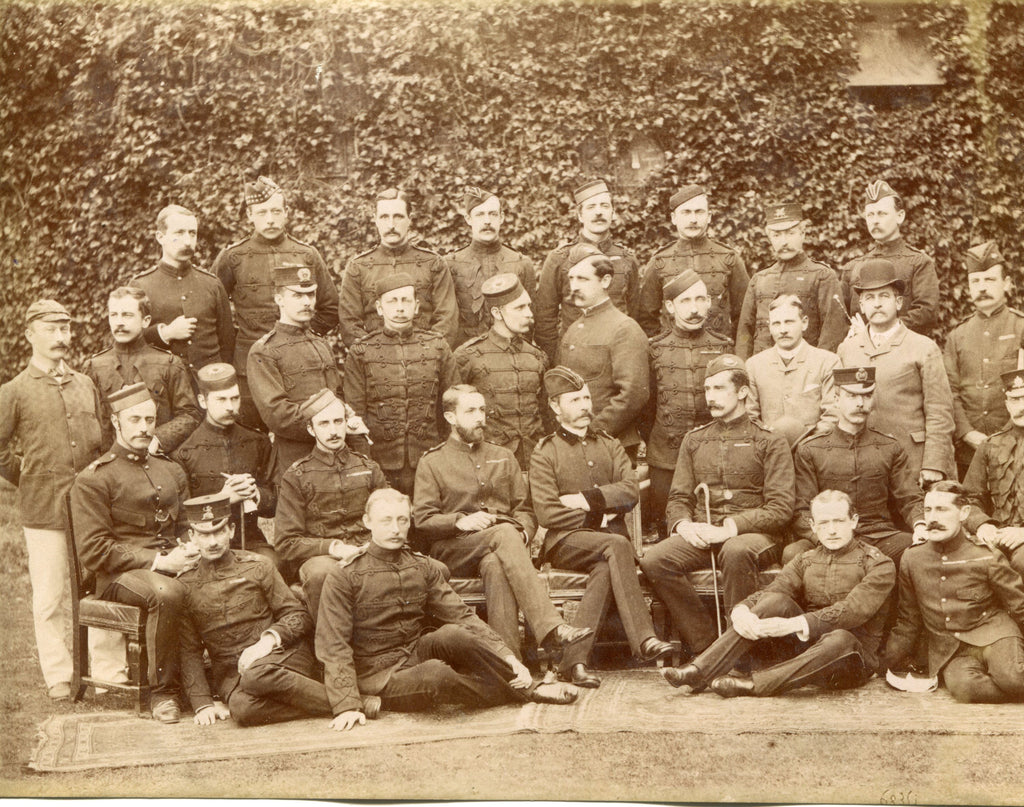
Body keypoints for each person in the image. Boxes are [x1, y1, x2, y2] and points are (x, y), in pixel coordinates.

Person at [316, 488, 579, 731]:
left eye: (403, 520)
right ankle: (528, 692)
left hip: (413, 652)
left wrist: (508, 657)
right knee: (437, 674)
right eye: (386, 521)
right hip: (376, 674)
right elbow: (334, 644)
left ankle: (520, 681)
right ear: (367, 521)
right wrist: (347, 704)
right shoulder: (345, 576)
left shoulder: (421, 566)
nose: (396, 529)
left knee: (454, 633)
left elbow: (461, 615)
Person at [413, 384, 592, 659]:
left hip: (503, 548)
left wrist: (522, 534)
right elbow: (423, 519)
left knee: (497, 562)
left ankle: (509, 663)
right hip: (454, 549)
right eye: (470, 411)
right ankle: (552, 627)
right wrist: (461, 521)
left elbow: (525, 509)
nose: (480, 418)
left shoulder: (503, 455)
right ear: (450, 418)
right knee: (504, 534)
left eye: (482, 409)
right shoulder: (432, 462)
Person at [662, 490, 895, 697]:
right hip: (808, 655)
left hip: (851, 661)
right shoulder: (805, 560)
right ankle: (700, 671)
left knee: (841, 638)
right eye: (823, 523)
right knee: (775, 601)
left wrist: (791, 625)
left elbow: (852, 611)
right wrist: (741, 610)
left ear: (853, 521)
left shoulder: (878, 564)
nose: (832, 530)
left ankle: (754, 685)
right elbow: (773, 590)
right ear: (813, 526)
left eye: (839, 521)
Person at [640, 354, 795, 658]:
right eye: (707, 389)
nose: (710, 397)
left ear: (742, 392)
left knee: (735, 550)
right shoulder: (695, 440)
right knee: (655, 559)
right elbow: (679, 499)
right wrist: (685, 525)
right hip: (704, 534)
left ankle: (741, 653)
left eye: (719, 388)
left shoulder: (769, 440)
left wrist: (727, 529)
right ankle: (707, 646)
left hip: (756, 537)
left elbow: (780, 508)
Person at [530, 367, 673, 689]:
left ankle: (574, 662)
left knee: (606, 567)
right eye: (575, 400)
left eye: (586, 398)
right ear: (555, 407)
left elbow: (630, 491)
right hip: (566, 541)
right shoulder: (545, 452)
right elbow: (548, 513)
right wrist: (602, 515)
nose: (584, 406)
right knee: (618, 546)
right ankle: (645, 638)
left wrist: (584, 499)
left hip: (606, 546)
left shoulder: (609, 444)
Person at [0, 300, 107, 699]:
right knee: (50, 595)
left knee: (99, 586)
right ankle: (59, 676)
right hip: (43, 508)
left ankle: (107, 670)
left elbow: (100, 444)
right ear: (30, 334)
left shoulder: (84, 384)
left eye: (65, 329)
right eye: (51, 329)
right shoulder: (14, 392)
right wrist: (27, 476)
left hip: (92, 509)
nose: (62, 337)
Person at [70, 383, 194, 723]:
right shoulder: (95, 479)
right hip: (118, 577)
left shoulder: (170, 470)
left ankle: (214, 681)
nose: (144, 427)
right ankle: (163, 693)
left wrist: (191, 550)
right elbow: (95, 551)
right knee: (164, 592)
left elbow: (183, 527)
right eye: (135, 419)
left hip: (170, 563)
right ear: (115, 422)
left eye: (150, 419)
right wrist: (158, 562)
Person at [178, 492, 332, 727]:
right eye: (204, 534)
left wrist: (266, 642)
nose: (212, 542)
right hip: (234, 674)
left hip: (283, 656)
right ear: (192, 536)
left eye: (219, 531)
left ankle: (349, 702)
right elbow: (188, 649)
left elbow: (298, 615)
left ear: (231, 530)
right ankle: (328, 701)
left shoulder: (258, 566)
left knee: (257, 675)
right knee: (242, 710)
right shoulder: (185, 585)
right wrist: (203, 702)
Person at [212, 176, 339, 430]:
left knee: (301, 428)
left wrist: (302, 338)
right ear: (250, 214)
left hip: (300, 367)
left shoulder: (306, 254)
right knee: (252, 434)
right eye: (261, 212)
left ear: (287, 213)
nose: (269, 219)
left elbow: (330, 308)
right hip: (249, 369)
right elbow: (212, 309)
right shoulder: (233, 257)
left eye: (276, 211)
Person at [884, 481, 1024, 703]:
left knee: (1013, 678)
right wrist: (884, 661)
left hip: (994, 635)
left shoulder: (986, 556)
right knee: (964, 689)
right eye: (928, 510)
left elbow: (1019, 606)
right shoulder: (912, 559)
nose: (933, 518)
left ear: (964, 513)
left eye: (942, 509)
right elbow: (908, 620)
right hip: (952, 648)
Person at [788, 366, 924, 565]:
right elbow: (801, 509)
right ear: (836, 399)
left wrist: (920, 525)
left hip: (879, 535)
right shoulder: (811, 449)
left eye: (867, 396)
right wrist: (825, 537)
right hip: (829, 535)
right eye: (851, 396)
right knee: (793, 554)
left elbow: (910, 497)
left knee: (915, 550)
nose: (860, 403)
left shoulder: (889, 446)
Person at [837, 258, 955, 485]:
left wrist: (933, 464)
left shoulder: (924, 348)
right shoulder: (847, 350)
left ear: (899, 302)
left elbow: (940, 412)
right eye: (869, 298)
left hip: (912, 461)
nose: (877, 304)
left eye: (884, 296)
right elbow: (840, 408)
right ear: (861, 306)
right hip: (865, 464)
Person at [274, 389, 388, 622]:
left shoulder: (368, 467)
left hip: (370, 549)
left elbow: (389, 516)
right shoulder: (296, 476)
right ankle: (330, 652)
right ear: (310, 429)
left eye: (338, 421)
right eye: (324, 424)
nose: (334, 431)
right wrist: (334, 548)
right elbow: (286, 543)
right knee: (322, 575)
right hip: (323, 558)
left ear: (347, 423)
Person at [247, 263, 367, 482]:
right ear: (279, 299)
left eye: (311, 294)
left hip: (336, 452)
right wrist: (328, 429)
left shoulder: (321, 344)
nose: (306, 302)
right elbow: (278, 415)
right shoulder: (263, 351)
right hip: (297, 460)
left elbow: (336, 397)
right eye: (296, 295)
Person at [343, 272, 456, 494]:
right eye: (392, 301)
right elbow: (356, 415)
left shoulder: (438, 346)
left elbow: (452, 407)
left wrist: (447, 457)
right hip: (380, 462)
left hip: (431, 459)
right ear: (379, 307)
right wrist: (367, 465)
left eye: (406, 300)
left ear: (416, 306)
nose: (400, 308)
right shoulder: (361, 351)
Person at [642, 270, 732, 538]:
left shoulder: (723, 347)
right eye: (685, 301)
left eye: (700, 299)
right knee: (668, 530)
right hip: (665, 457)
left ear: (709, 302)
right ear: (670, 306)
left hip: (714, 454)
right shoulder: (654, 349)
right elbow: (646, 407)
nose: (694, 309)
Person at [171, 363, 277, 566]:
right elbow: (183, 517)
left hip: (250, 541)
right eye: (221, 399)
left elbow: (274, 503)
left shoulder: (258, 442)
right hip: (205, 544)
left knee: (271, 564)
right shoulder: (185, 452)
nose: (230, 407)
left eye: (234, 398)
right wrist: (223, 498)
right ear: (203, 401)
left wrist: (255, 494)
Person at [556, 243, 649, 461]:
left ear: (605, 281)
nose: (575, 286)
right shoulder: (572, 329)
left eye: (583, 279)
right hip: (575, 443)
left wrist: (592, 432)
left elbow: (633, 394)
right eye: (572, 278)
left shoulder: (624, 328)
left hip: (611, 445)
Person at [942, 240, 1024, 478]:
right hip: (970, 453)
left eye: (989, 279)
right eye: (975, 281)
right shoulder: (957, 336)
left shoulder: (1020, 327)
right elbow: (949, 392)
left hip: (1017, 446)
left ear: (1006, 284)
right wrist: (967, 434)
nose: (982, 287)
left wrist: (1010, 434)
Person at [84, 286, 200, 454]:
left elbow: (190, 415)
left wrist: (158, 439)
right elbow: (87, 420)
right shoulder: (95, 366)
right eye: (113, 315)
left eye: (127, 315)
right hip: (108, 463)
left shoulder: (168, 363)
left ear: (145, 321)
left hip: (155, 460)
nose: (119, 322)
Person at [535, 179, 640, 360]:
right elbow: (544, 318)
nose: (599, 212)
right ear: (580, 215)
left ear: (612, 212)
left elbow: (637, 314)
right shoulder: (559, 259)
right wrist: (558, 358)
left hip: (617, 356)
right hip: (574, 357)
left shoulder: (627, 259)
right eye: (591, 207)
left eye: (604, 206)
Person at [340, 187, 458, 347]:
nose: (391, 224)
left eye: (398, 217)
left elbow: (446, 320)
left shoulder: (433, 263)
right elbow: (350, 324)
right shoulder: (358, 267)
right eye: (384, 217)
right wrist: (373, 356)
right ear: (375, 219)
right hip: (375, 361)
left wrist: (428, 355)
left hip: (426, 360)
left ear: (410, 219)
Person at [453, 273, 549, 469]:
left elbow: (546, 412)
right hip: (487, 462)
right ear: (497, 313)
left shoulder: (537, 356)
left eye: (529, 306)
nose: (529, 313)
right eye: (520, 307)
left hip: (536, 460)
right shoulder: (468, 356)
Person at [130, 204, 235, 383]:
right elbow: (129, 342)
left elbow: (227, 342)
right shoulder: (141, 286)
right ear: (160, 237)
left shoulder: (212, 284)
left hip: (208, 388)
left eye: (192, 233)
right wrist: (166, 333)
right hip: (164, 387)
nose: (187, 241)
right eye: (179, 233)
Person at [735, 202, 846, 358]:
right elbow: (744, 334)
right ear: (769, 237)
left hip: (807, 371)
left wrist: (818, 370)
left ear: (803, 233)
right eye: (777, 235)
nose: (784, 241)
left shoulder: (822, 276)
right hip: (763, 372)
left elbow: (832, 333)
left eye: (790, 233)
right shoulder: (759, 280)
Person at [638, 184, 748, 339]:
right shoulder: (659, 261)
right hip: (672, 357)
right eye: (686, 212)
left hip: (720, 353)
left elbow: (744, 316)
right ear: (674, 218)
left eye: (699, 212)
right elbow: (646, 318)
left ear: (709, 216)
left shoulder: (729, 258)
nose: (693, 219)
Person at [839, 179, 939, 336]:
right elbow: (841, 317)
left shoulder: (918, 262)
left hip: (903, 352)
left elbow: (926, 313)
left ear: (900, 216)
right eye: (870, 215)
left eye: (882, 213)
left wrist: (879, 333)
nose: (875, 220)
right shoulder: (853, 267)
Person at [445, 186, 536, 347]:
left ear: (501, 218)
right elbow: (446, 320)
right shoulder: (451, 264)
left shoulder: (521, 263)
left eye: (493, 214)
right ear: (468, 219)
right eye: (480, 214)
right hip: (465, 358)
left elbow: (532, 320)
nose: (487, 221)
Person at [744, 294, 839, 440]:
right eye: (776, 323)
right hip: (769, 450)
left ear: (804, 323)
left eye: (789, 322)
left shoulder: (827, 362)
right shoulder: (754, 365)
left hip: (814, 449)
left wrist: (807, 443)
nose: (783, 330)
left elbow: (832, 415)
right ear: (769, 326)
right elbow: (750, 417)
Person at [962, 368, 1024, 579]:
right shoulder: (989, 446)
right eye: (1015, 399)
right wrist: (982, 524)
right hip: (997, 537)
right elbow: (969, 497)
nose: (1021, 407)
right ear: (1006, 403)